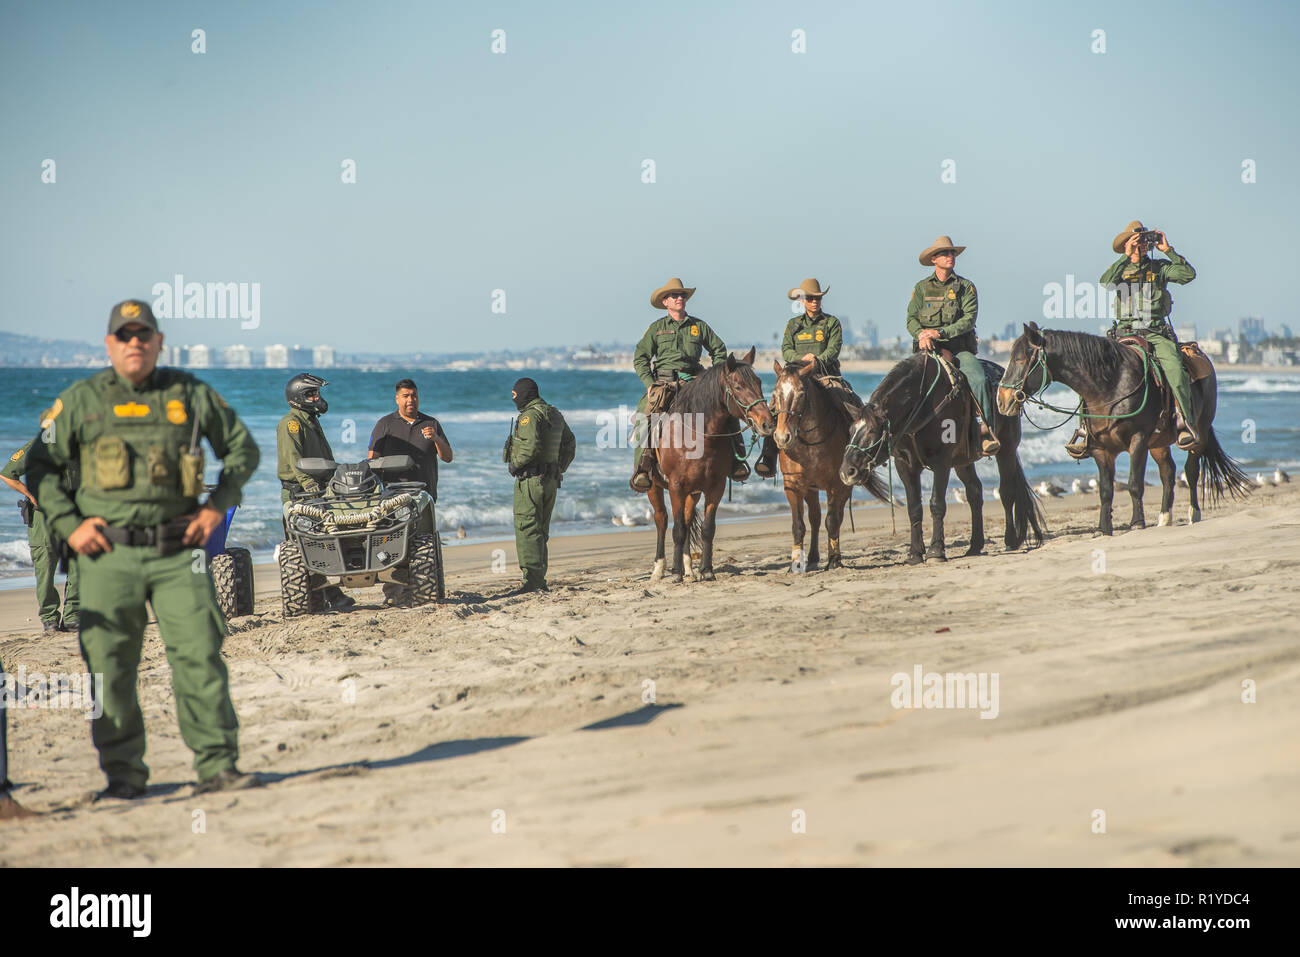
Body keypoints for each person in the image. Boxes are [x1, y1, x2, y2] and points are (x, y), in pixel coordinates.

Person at [25, 299, 262, 799]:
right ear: (110, 344)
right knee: (109, 665)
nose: (135, 342)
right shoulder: (80, 400)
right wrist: (68, 524)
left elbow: (242, 449)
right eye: (124, 335)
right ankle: (124, 778)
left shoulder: (189, 393)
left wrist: (218, 504)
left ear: (158, 342)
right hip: (107, 558)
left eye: (144, 334)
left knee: (199, 654)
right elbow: (40, 466)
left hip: (180, 553)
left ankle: (218, 766)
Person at [1079, 220, 1199, 454]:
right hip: (1123, 334)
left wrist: (1168, 250)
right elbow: (1105, 283)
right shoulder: (1120, 270)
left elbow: (1188, 275)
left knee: (1175, 368)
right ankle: (1085, 429)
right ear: (1126, 244)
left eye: (1144, 242)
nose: (1141, 246)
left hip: (1155, 333)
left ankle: (1184, 423)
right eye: (1135, 242)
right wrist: (1127, 256)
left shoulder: (1160, 268)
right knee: (1089, 370)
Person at [630, 278, 751, 492]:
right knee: (645, 411)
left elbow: (719, 351)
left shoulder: (699, 326)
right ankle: (644, 466)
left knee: (727, 411)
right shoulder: (656, 329)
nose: (680, 299)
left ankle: (737, 460)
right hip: (664, 383)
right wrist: (650, 383)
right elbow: (640, 358)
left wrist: (714, 380)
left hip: (695, 383)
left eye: (682, 295)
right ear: (665, 302)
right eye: (675, 296)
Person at [755, 278, 865, 477]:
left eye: (818, 298)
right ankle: (768, 456)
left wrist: (817, 360)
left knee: (850, 405)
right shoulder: (793, 325)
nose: (815, 302)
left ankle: (857, 455)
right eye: (811, 298)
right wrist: (800, 360)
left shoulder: (831, 323)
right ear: (803, 301)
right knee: (773, 408)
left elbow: (834, 349)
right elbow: (786, 350)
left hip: (826, 375)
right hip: (796, 376)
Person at [905, 236, 1000, 456]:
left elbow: (968, 319)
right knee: (899, 383)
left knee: (978, 379)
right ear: (934, 259)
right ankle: (898, 437)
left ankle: (986, 431)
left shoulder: (965, 287)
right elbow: (911, 319)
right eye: (945, 254)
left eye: (952, 253)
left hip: (958, 350)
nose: (951, 257)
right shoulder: (920, 288)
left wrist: (939, 333)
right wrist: (920, 334)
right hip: (927, 350)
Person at [276, 373, 354, 610]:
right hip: (300, 492)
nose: (318, 398)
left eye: (317, 393)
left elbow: (324, 459)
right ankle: (330, 594)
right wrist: (309, 486)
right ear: (300, 397)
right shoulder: (291, 423)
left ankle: (323, 598)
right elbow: (294, 460)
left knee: (323, 543)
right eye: (312, 394)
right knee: (305, 547)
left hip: (319, 491)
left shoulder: (310, 420)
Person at [503, 378, 575, 593]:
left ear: (524, 394)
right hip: (550, 481)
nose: (513, 398)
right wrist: (558, 467)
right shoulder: (554, 413)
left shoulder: (530, 416)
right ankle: (539, 579)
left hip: (531, 481)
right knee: (541, 530)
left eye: (515, 395)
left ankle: (532, 581)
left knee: (528, 528)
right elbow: (569, 444)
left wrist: (515, 464)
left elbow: (531, 446)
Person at [2, 436, 80, 632]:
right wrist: (30, 495)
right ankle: (49, 618)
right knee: (45, 570)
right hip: (43, 518)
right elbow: (7, 474)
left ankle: (72, 617)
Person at [368, 379, 452, 497]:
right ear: (397, 399)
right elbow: (372, 462)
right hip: (392, 496)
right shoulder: (384, 424)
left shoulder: (431, 423)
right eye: (405, 396)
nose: (410, 400)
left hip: (424, 495)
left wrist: (436, 439)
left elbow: (448, 458)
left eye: (414, 396)